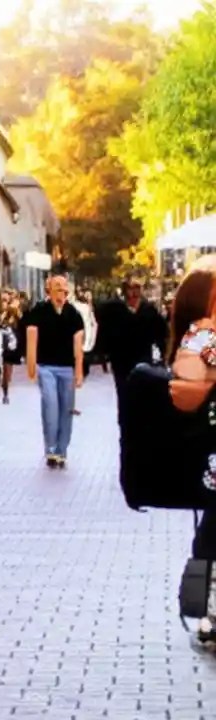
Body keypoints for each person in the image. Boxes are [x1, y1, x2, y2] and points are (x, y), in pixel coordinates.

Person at [160, 257, 216, 642]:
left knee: (211, 533)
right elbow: (188, 392)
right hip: (211, 452)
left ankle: (207, 608)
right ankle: (207, 608)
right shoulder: (200, 339)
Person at [23, 274, 85, 469]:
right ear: (48, 290)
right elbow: (31, 339)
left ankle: (61, 451)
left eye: (64, 287)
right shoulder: (38, 311)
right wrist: (31, 367)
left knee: (66, 410)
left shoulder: (73, 314)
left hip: (67, 368)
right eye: (57, 286)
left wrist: (79, 370)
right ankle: (50, 450)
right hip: (46, 367)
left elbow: (78, 345)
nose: (61, 290)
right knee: (51, 405)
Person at [98, 277, 168, 424]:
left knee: (142, 396)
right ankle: (125, 428)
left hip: (143, 360)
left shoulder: (148, 311)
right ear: (125, 290)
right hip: (121, 361)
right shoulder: (114, 309)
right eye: (131, 288)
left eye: (137, 288)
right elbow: (104, 333)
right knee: (123, 396)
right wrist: (103, 357)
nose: (134, 292)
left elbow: (161, 334)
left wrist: (164, 356)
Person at [70, 287, 98, 415]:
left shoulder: (82, 308)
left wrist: (88, 342)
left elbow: (90, 325)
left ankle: (69, 403)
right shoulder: (80, 308)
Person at [0, 288, 24, 404]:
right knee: (3, 364)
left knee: (8, 366)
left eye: (6, 297)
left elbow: (20, 319)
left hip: (10, 339)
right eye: (3, 298)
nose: (5, 300)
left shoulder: (13, 309)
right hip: (0, 338)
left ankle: (5, 389)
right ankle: (5, 389)